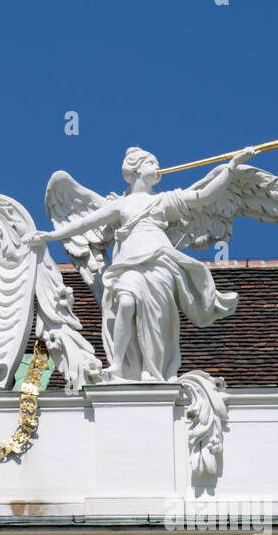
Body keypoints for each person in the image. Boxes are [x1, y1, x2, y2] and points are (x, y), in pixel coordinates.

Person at [28, 147, 254, 381]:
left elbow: (203, 196)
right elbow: (84, 224)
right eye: (151, 163)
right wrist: (49, 236)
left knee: (155, 317)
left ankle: (151, 370)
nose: (157, 168)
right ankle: (117, 365)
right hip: (128, 262)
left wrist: (231, 167)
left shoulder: (163, 200)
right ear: (135, 170)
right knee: (125, 303)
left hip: (159, 262)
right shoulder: (121, 205)